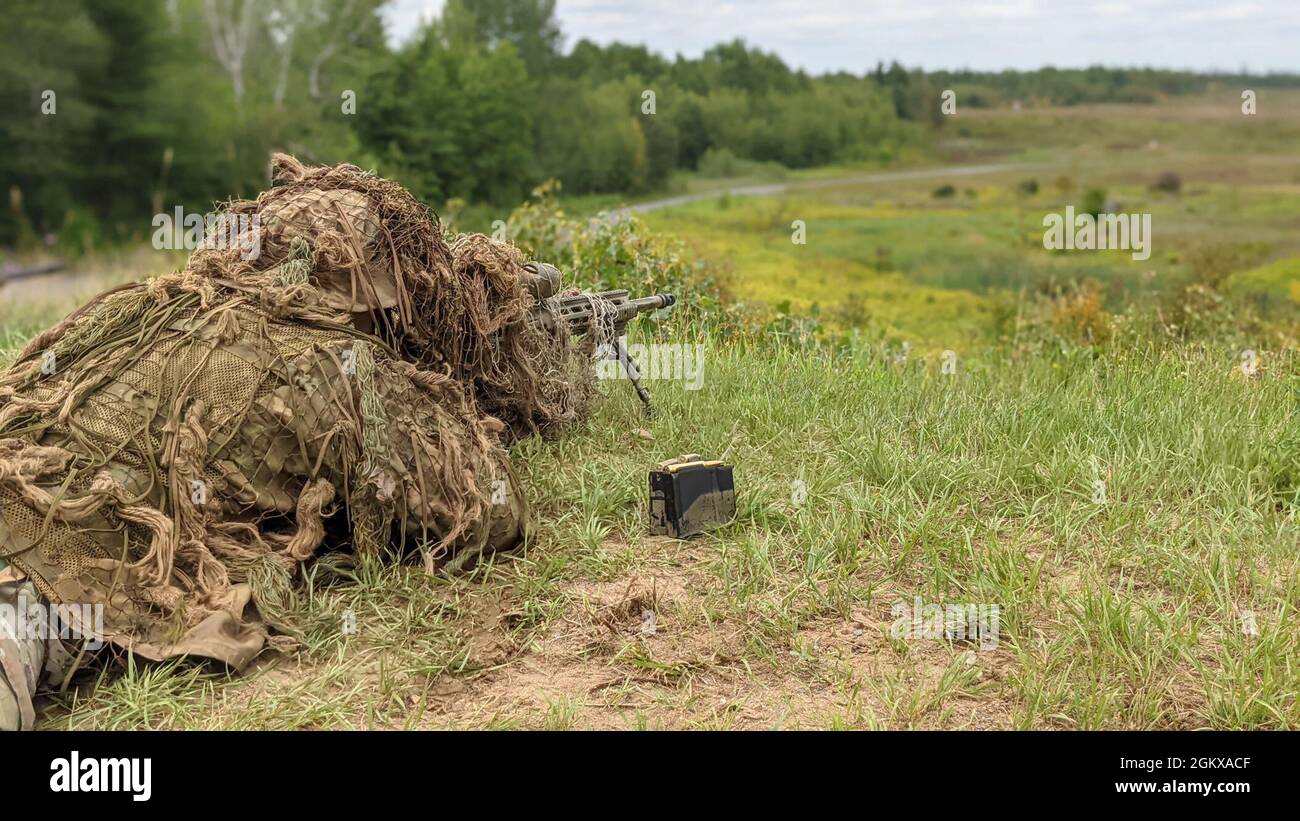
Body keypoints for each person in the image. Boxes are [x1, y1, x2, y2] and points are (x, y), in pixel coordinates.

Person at [0, 156, 594, 729]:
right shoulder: (333, 365)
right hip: (51, 562)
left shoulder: (150, 306)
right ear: (365, 295)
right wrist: (456, 407)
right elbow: (487, 513)